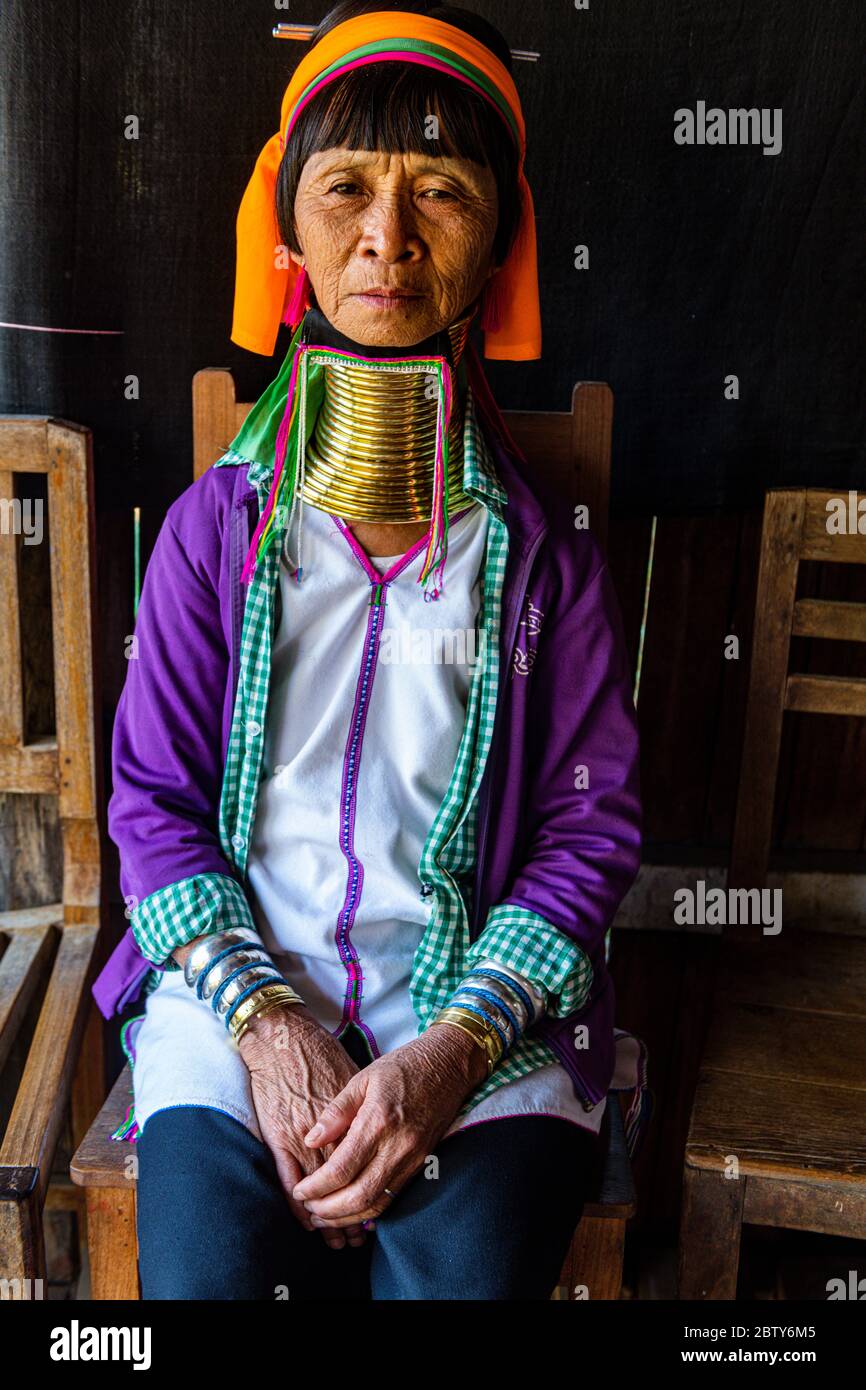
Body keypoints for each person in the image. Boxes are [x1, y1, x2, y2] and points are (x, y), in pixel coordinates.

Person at [92, 0, 644, 1300]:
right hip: (236, 1004)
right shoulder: (212, 535)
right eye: (345, 189)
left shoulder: (539, 558)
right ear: (286, 229)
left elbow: (590, 830)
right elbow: (153, 806)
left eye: (438, 192)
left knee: (457, 1285)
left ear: (497, 234)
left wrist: (444, 1053)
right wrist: (271, 1028)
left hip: (477, 1023)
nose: (386, 240)